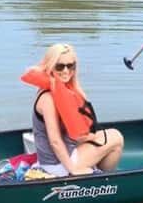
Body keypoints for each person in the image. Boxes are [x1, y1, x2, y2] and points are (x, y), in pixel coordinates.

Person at [21, 44, 124, 177]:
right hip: (57, 166)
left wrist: (88, 137)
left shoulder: (64, 90)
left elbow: (70, 133)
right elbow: (55, 141)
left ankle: (96, 172)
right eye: (60, 66)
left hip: (64, 156)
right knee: (117, 139)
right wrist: (73, 170)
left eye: (70, 66)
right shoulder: (48, 99)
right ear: (50, 66)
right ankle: (104, 180)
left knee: (107, 134)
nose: (66, 71)